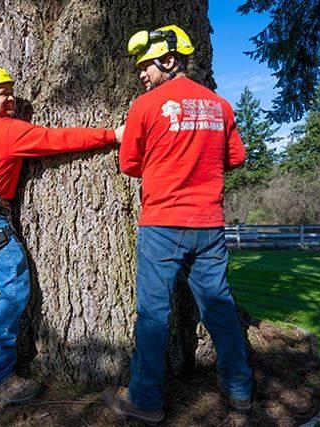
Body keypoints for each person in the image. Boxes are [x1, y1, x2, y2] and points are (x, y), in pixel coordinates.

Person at [102, 25, 253, 423]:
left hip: (162, 224)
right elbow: (236, 157)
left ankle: (145, 399)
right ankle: (239, 388)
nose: (141, 74)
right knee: (219, 307)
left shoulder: (144, 107)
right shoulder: (220, 106)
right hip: (209, 225)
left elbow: (129, 164)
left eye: (146, 65)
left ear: (169, 60)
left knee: (153, 313)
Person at [0, 66, 123, 404]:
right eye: (3, 93)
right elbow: (58, 140)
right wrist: (111, 135)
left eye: (11, 90)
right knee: (12, 292)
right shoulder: (9, 130)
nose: (11, 97)